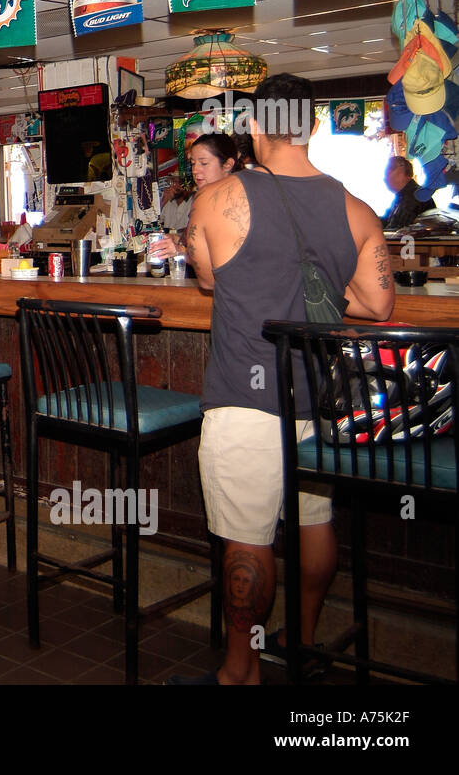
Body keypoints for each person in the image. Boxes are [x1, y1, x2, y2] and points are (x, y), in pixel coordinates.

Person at [174, 73, 394, 685]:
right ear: (313, 125)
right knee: (313, 519)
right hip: (319, 399)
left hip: (245, 396)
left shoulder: (217, 200)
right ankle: (299, 639)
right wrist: (315, 292)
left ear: (253, 125)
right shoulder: (355, 207)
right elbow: (378, 305)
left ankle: (239, 671)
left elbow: (211, 281)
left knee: (247, 539)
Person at [149, 131, 239, 261]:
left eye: (204, 163)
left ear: (227, 165)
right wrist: (177, 238)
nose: (195, 170)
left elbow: (222, 258)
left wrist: (180, 252)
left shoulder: (233, 202)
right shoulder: (207, 198)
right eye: (193, 163)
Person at [381, 155, 434, 231]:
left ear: (401, 169)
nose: (385, 178)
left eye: (388, 171)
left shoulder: (415, 196)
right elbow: (386, 221)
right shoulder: (401, 197)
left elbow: (398, 230)